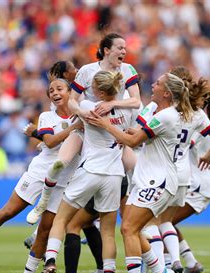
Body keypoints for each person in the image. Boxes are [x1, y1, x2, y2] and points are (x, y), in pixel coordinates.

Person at [0, 78, 83, 273]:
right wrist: (75, 127)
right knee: (8, 211)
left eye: (59, 89)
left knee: (45, 230)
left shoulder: (83, 113)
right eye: (51, 91)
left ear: (70, 91)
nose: (55, 93)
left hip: (63, 181)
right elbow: (50, 140)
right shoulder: (47, 116)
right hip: (40, 173)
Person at [85, 73, 194, 273]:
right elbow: (140, 134)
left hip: (158, 180)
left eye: (158, 83)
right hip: (152, 179)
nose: (152, 85)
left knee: (128, 229)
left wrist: (106, 124)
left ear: (166, 93)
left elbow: (133, 142)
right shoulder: (169, 114)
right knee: (133, 229)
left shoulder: (165, 116)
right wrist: (124, 130)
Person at [30, 70, 136, 273]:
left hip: (89, 170)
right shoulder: (129, 111)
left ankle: (50, 260)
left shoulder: (88, 105)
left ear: (97, 90)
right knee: (108, 231)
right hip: (115, 174)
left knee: (62, 218)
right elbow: (132, 128)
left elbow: (71, 104)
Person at [27, 32, 140, 224]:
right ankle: (42, 203)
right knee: (60, 163)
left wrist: (112, 105)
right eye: (120, 48)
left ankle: (136, 217)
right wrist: (82, 113)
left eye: (125, 48)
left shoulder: (128, 70)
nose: (124, 51)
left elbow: (136, 101)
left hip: (112, 131)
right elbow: (72, 101)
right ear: (106, 50)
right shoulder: (87, 71)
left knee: (136, 169)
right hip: (85, 127)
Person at [140, 67, 210, 273]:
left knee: (158, 223)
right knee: (164, 222)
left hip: (195, 183)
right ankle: (184, 263)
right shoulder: (192, 114)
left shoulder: (189, 115)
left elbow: (186, 142)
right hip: (189, 180)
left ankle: (168, 269)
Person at [171, 78, 210, 273]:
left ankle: (174, 268)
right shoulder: (197, 116)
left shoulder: (198, 118)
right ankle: (190, 264)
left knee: (163, 223)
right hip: (196, 182)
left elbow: (187, 141)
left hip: (200, 185)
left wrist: (208, 156)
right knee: (164, 222)